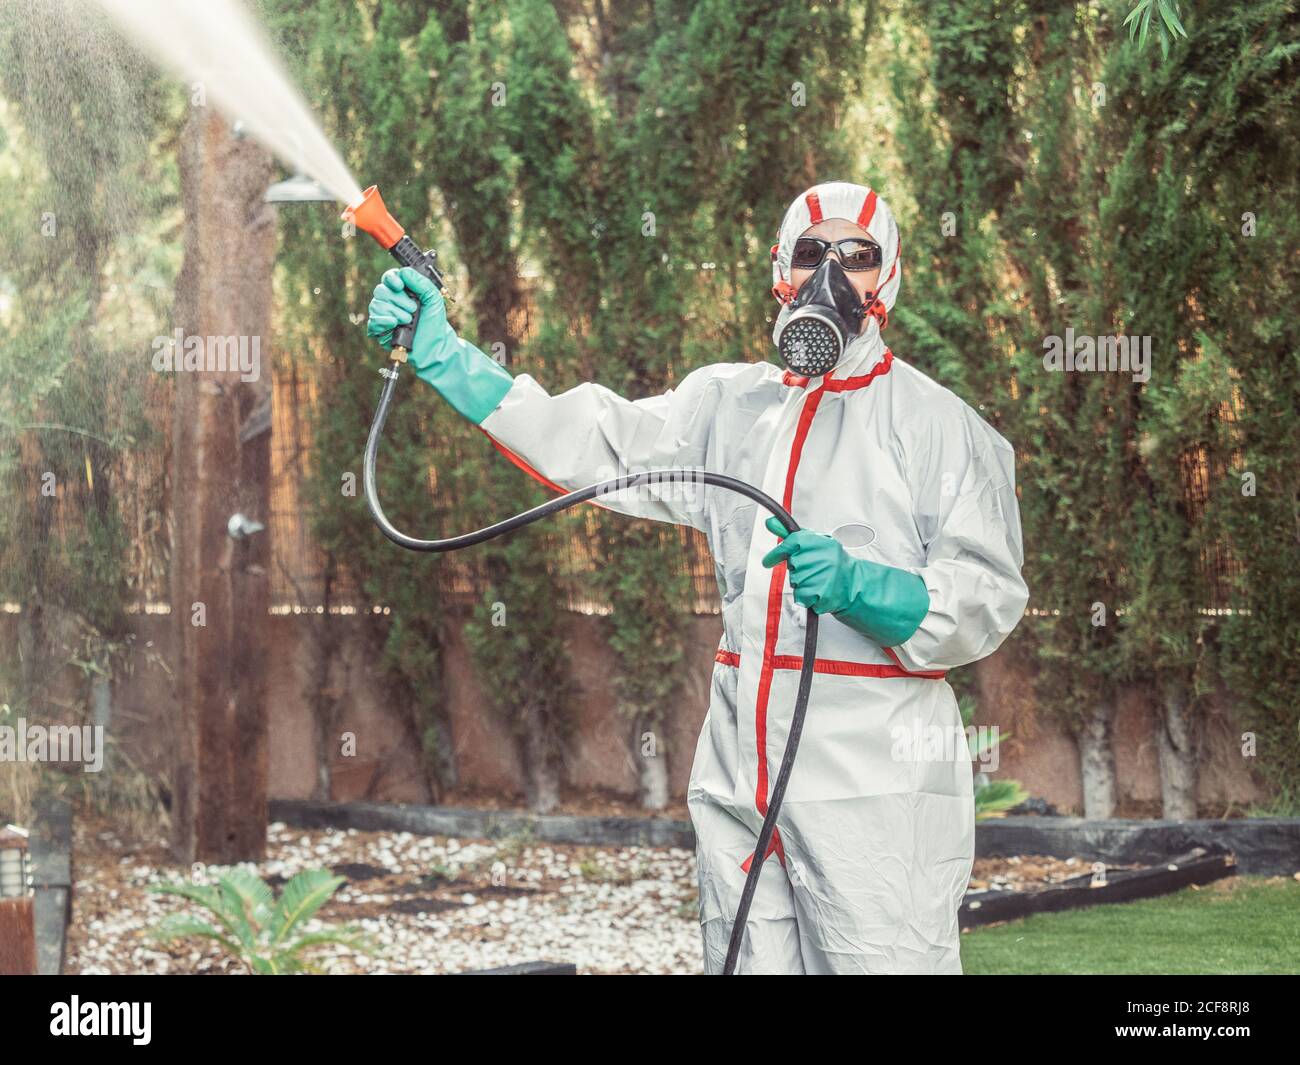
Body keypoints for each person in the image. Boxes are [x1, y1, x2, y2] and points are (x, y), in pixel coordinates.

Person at [366, 180, 1029, 974]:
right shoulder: (730, 405)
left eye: (859, 256)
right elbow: (594, 443)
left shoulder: (937, 424)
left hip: (876, 790)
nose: (832, 274)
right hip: (739, 774)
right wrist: (444, 355)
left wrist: (865, 587)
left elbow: (988, 591)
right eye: (813, 252)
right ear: (781, 268)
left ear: (886, 280)